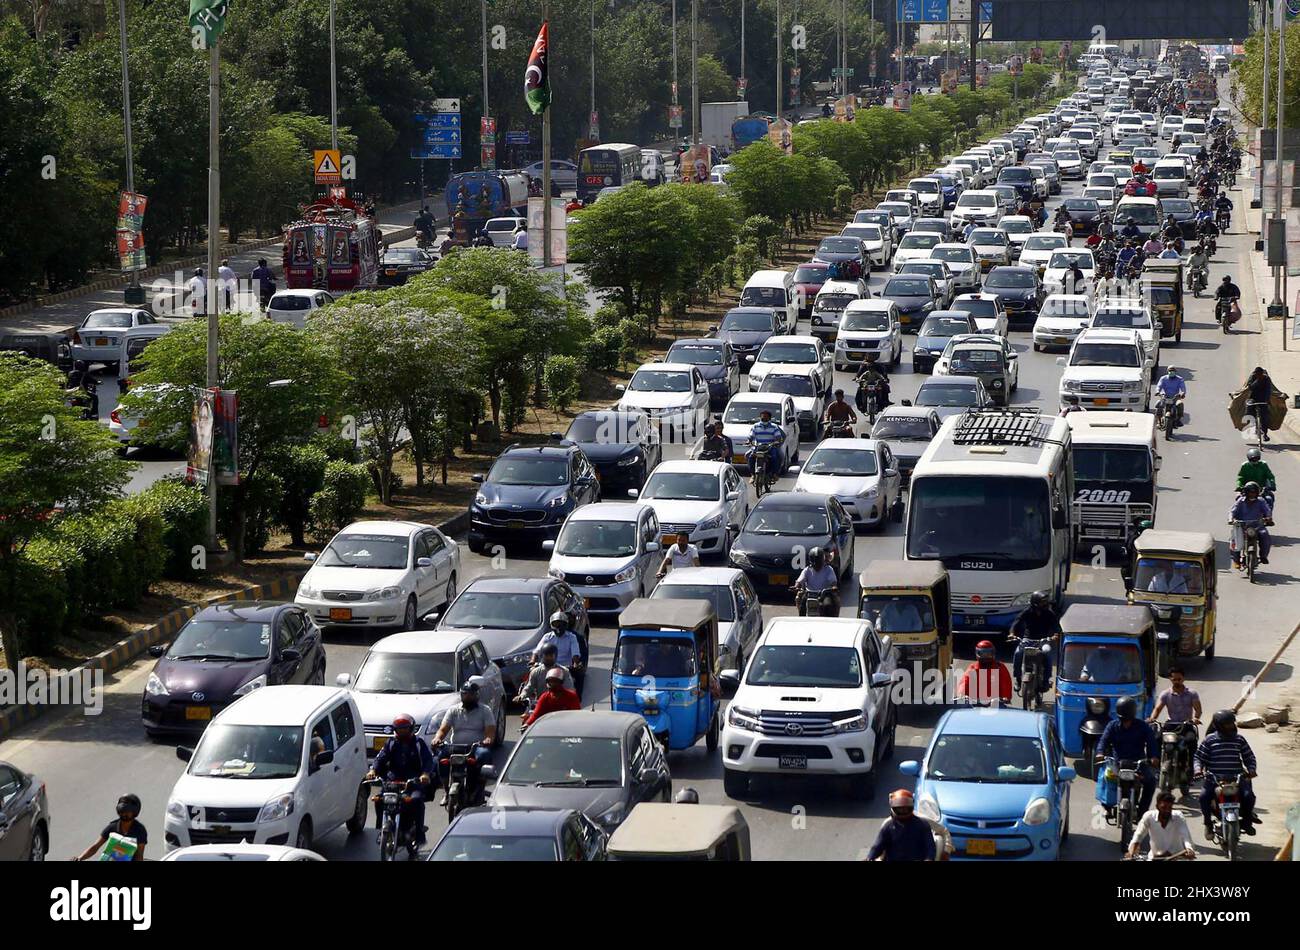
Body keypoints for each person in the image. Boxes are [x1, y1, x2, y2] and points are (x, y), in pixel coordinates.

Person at [367, 713, 435, 845]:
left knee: (416, 801)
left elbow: (428, 760)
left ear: (411, 729)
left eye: (405, 728)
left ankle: (420, 833)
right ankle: (381, 830)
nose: (402, 731)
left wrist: (425, 774)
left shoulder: (418, 743)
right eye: (399, 728)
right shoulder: (390, 743)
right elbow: (380, 758)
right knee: (379, 800)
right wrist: (372, 770)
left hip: (412, 782)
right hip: (392, 782)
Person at [429, 679, 496, 805]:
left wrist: (488, 739)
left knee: (484, 755)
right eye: (465, 694)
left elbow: (490, 731)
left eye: (470, 694)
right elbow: (443, 729)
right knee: (440, 757)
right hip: (455, 746)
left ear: (476, 695)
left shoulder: (485, 710)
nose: (468, 697)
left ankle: (479, 786)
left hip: (475, 747)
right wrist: (437, 738)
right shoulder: (453, 710)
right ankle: (446, 789)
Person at [1195, 710, 1260, 837]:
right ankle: (1208, 823)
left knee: (1249, 796)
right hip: (1214, 778)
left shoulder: (1239, 739)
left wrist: (1251, 769)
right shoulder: (1209, 740)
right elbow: (1198, 757)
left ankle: (1247, 822)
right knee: (1203, 797)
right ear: (1219, 725)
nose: (1231, 726)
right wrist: (1198, 770)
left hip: (1237, 777)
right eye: (1227, 724)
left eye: (1232, 723)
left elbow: (1249, 757)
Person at [1098, 696, 1159, 817]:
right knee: (1104, 778)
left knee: (1151, 781)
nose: (1126, 723)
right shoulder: (1112, 726)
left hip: (1138, 763)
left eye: (1128, 720)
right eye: (1123, 720)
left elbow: (1151, 742)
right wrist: (1100, 753)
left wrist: (1153, 757)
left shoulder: (1143, 726)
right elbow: (1103, 741)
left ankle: (1142, 811)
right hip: (1117, 763)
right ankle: (1107, 806)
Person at [1009, 592, 1061, 689]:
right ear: (1035, 602)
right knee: (1018, 653)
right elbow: (1016, 622)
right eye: (1043, 602)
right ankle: (1018, 679)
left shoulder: (1049, 613)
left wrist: (1056, 634)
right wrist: (1012, 633)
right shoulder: (1027, 611)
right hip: (1027, 639)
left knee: (1047, 652)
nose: (1045, 604)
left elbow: (1056, 625)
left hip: (1043, 640)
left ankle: (1046, 680)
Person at [73, 793, 147, 861]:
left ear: (134, 812)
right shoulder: (112, 827)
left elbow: (139, 855)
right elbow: (95, 847)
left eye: (128, 812)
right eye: (122, 811)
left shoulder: (140, 830)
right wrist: (80, 858)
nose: (124, 814)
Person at [866, 790, 936, 861]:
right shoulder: (888, 826)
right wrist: (870, 857)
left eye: (905, 809)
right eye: (899, 809)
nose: (903, 811)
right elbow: (878, 846)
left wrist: (929, 859)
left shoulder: (923, 825)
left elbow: (930, 847)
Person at [1128, 790, 1196, 860]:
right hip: (1155, 858)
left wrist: (1189, 849)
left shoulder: (1179, 817)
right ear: (1157, 806)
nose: (1167, 811)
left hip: (1177, 857)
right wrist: (1132, 851)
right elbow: (1138, 835)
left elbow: (1186, 837)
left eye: (1170, 808)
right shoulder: (1149, 817)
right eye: (1164, 807)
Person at [532, 610, 585, 698]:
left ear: (566, 625)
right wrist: (532, 661)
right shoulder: (547, 637)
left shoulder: (572, 637)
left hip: (564, 668)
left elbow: (575, 653)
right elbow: (537, 651)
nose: (558, 627)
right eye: (556, 624)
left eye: (561, 624)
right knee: (532, 676)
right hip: (546, 666)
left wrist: (576, 664)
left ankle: (576, 700)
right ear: (551, 625)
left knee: (577, 680)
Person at [1229, 482, 1273, 567]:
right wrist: (1231, 519)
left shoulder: (1261, 501)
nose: (1252, 494)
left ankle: (1263, 556)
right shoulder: (1240, 501)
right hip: (1242, 526)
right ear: (1246, 492)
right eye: (1250, 492)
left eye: (1254, 492)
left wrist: (1269, 518)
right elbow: (1232, 511)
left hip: (1257, 526)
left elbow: (1267, 510)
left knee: (1265, 535)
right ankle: (1236, 560)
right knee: (1235, 539)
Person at [955, 640, 1012, 706]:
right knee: (963, 708)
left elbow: (1006, 683)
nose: (986, 656)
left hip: (996, 703)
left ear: (993, 653)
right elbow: (964, 682)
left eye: (988, 653)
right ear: (977, 653)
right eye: (982, 653)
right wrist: (961, 695)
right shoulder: (973, 668)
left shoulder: (999, 667)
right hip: (975, 703)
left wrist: (1006, 697)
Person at [517, 642, 573, 706]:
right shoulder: (536, 672)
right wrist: (522, 696)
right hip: (541, 704)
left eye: (551, 656)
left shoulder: (564, 671)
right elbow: (529, 687)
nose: (548, 658)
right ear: (542, 656)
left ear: (555, 656)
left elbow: (569, 689)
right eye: (546, 656)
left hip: (559, 706)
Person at [793, 546, 839, 615]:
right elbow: (800, 580)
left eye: (818, 561)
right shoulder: (807, 570)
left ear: (822, 560)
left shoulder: (828, 569)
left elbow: (833, 582)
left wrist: (834, 587)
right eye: (815, 562)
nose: (817, 564)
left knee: (828, 605)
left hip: (824, 595)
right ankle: (802, 621)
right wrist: (796, 586)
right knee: (802, 606)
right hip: (808, 594)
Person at [1241, 366, 1280, 441]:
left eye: (1260, 374)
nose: (1259, 376)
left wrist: (1267, 400)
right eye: (1257, 374)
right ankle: (1253, 425)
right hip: (1253, 398)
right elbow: (1250, 388)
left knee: (1265, 417)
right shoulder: (1252, 378)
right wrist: (1257, 381)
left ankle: (1265, 434)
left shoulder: (1266, 379)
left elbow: (1268, 390)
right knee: (1249, 411)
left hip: (1263, 399)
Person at [746, 408, 787, 477]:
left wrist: (777, 442)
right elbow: (751, 436)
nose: (764, 418)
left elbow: (778, 437)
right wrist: (749, 441)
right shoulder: (755, 426)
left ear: (769, 418)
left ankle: (774, 474)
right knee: (750, 457)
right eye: (762, 417)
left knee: (775, 457)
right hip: (758, 447)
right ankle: (752, 475)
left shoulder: (774, 427)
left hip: (770, 447)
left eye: (766, 417)